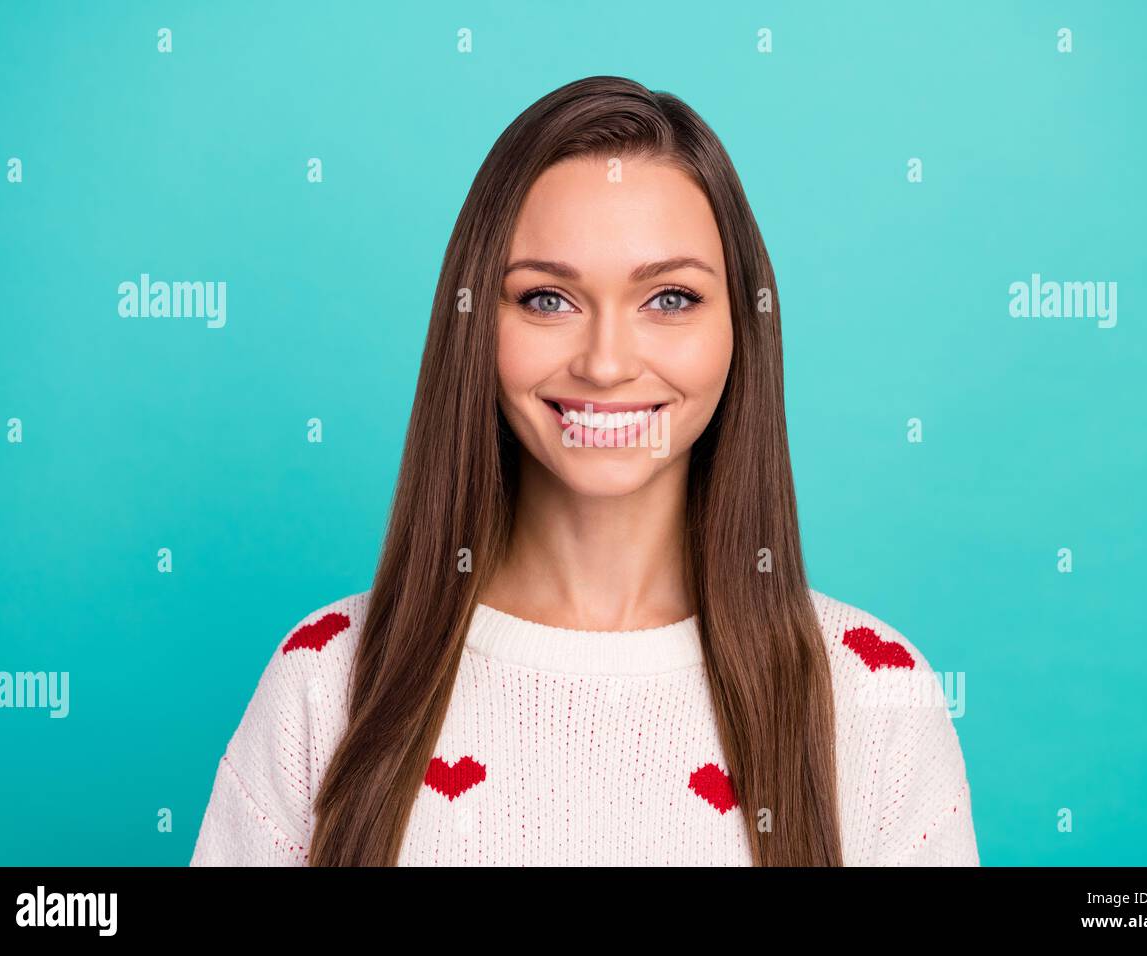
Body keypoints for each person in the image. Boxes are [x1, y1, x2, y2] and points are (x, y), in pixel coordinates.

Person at [190, 75, 979, 867]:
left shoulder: (876, 697)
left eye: (670, 298)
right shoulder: (326, 680)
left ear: (743, 326)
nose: (605, 364)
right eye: (546, 299)